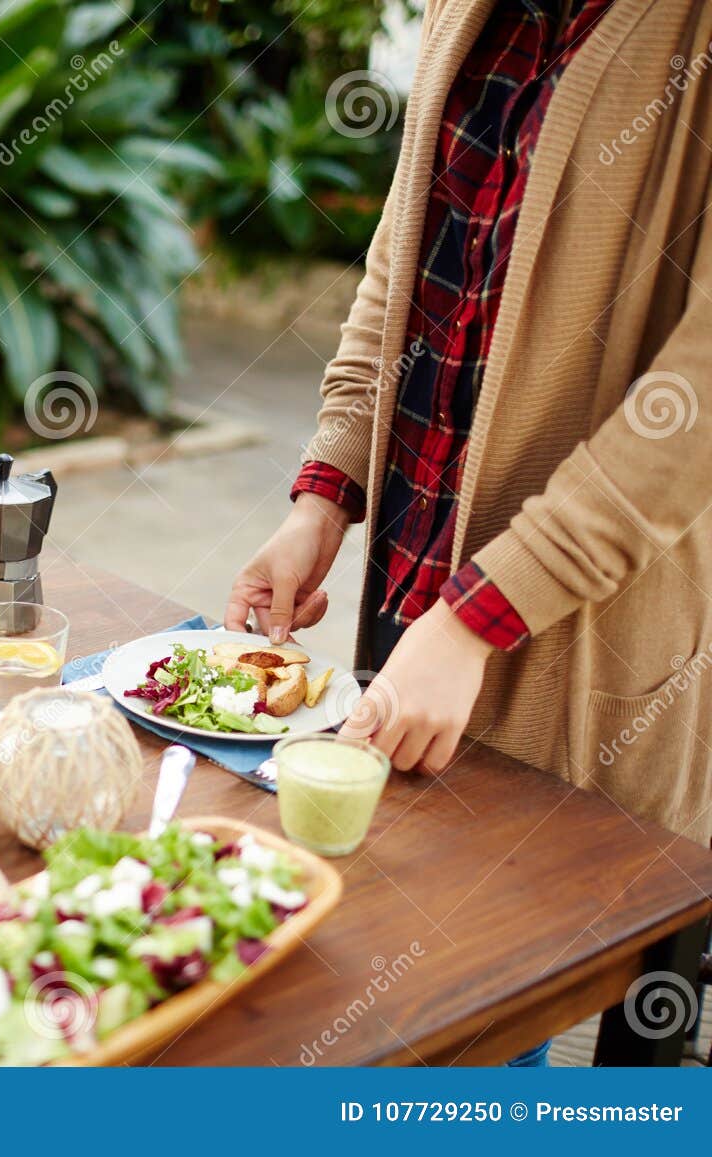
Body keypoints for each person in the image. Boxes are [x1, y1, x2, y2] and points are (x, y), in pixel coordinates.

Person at [227, 0, 712, 852]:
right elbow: (411, 247)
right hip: (412, 625)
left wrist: (477, 618)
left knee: (593, 965)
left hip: (583, 654)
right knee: (393, 947)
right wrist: (324, 496)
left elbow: (693, 404)